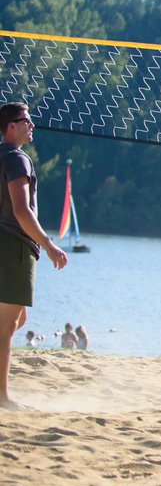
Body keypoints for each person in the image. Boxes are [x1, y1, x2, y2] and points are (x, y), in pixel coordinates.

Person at [1, 103, 69, 409]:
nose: (32, 126)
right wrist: (49, 245)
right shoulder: (16, 159)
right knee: (6, 326)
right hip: (13, 245)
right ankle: (2, 398)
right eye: (26, 121)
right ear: (10, 127)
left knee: (18, 319)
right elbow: (21, 210)